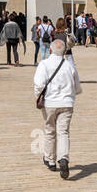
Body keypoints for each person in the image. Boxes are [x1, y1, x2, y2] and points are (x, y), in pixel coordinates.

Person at [34, 38, 81, 180]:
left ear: (50, 50)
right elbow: (77, 87)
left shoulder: (44, 64)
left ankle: (50, 159)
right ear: (64, 51)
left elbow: (39, 84)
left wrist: (37, 96)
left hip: (50, 103)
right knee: (63, 132)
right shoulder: (69, 66)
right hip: (67, 103)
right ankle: (63, 158)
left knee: (50, 130)